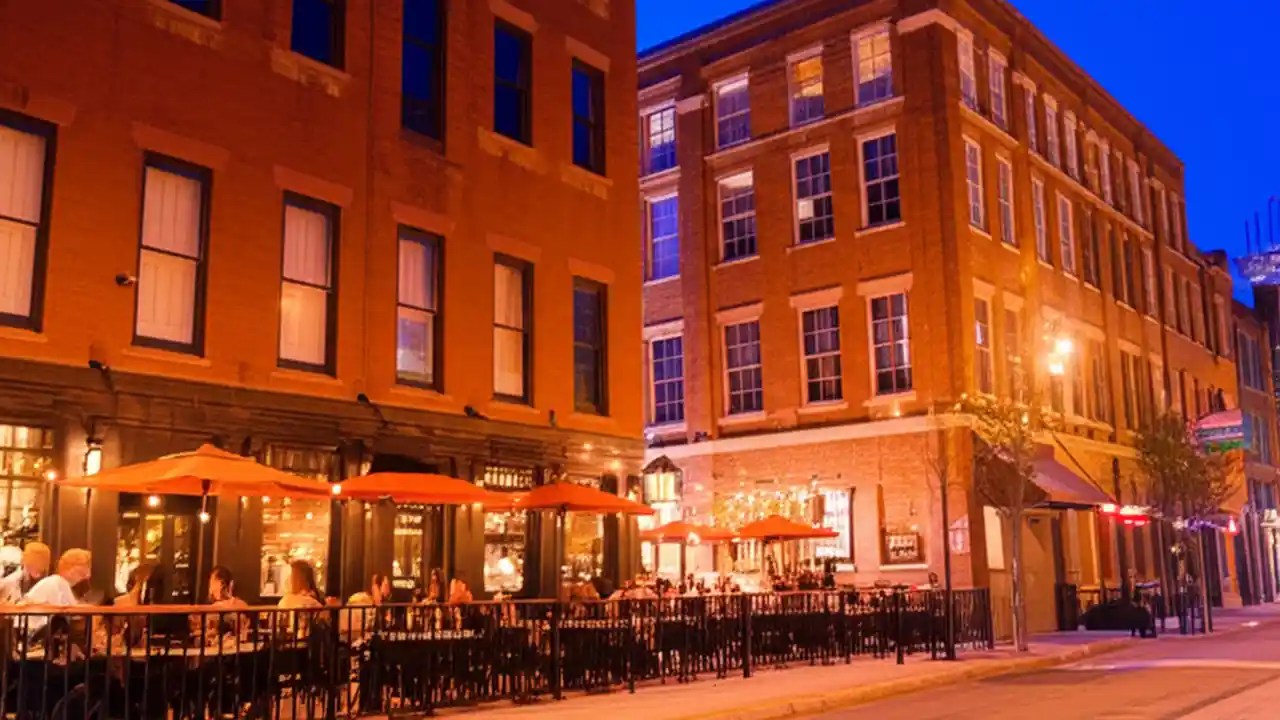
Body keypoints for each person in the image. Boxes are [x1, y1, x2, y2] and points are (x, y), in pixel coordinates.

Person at [19, 549, 91, 636]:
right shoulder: (58, 581)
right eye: (81, 573)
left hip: (29, 628)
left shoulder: (55, 581)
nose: (86, 576)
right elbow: (72, 610)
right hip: (31, 629)